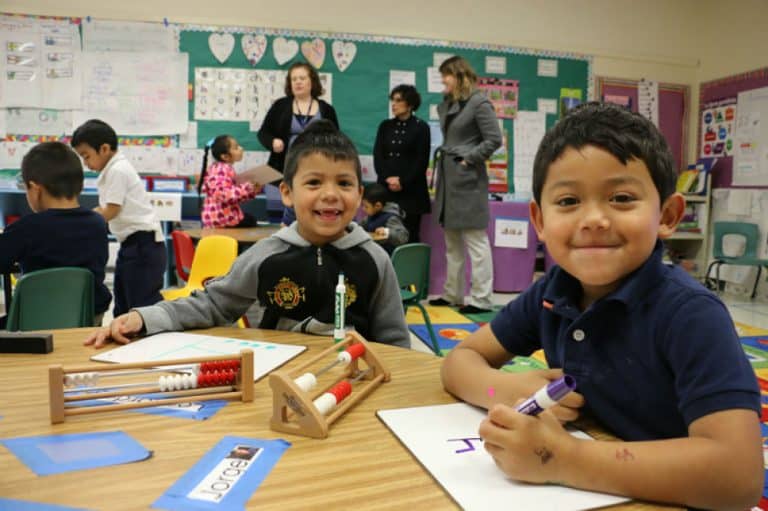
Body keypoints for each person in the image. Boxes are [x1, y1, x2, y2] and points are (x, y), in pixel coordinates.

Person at [440, 102, 762, 509]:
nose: (593, 219)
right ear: (539, 221)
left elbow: (739, 475)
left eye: (622, 197)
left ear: (667, 214)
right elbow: (458, 362)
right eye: (569, 201)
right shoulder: (551, 292)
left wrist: (560, 458)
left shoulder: (690, 314)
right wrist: (502, 387)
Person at [83, 120, 410, 351]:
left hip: (352, 385)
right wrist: (144, 317)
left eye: (344, 183)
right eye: (313, 183)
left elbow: (395, 340)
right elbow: (212, 305)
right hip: (282, 381)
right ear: (286, 193)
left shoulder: (375, 259)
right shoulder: (266, 254)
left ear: (359, 192)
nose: (330, 194)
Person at [0, 142, 111, 326]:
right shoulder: (97, 224)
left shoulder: (27, 228)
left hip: (34, 323)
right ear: (80, 186)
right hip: (86, 321)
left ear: (36, 189)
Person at [428, 56, 501, 314]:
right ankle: (452, 294)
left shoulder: (479, 103)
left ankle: (481, 299)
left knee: (476, 241)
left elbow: (494, 139)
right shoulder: (449, 105)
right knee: (452, 242)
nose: (442, 81)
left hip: (467, 178)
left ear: (458, 75)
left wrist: (468, 159)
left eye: (445, 76)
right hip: (449, 179)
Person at [71, 119, 166, 318]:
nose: (85, 164)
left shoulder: (117, 170)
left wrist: (87, 221)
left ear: (104, 149)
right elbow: (108, 209)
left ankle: (149, 346)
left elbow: (112, 211)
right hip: (133, 245)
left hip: (143, 246)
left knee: (140, 309)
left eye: (86, 156)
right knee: (123, 306)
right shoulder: (113, 170)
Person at [258, 62, 339, 226]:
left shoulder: (326, 109)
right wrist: (273, 141)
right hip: (281, 172)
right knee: (279, 222)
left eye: (302, 78)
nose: (297, 82)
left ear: (312, 82)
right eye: (293, 79)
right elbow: (263, 133)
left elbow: (336, 141)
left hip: (316, 173)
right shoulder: (280, 106)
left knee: (310, 217)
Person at [373, 84, 430, 243]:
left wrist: (402, 181)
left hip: (411, 191)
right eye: (393, 100)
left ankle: (409, 268)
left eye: (398, 100)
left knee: (410, 234)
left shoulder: (421, 127)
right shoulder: (385, 126)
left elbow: (421, 161)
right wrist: (387, 178)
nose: (394, 104)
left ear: (410, 104)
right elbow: (378, 156)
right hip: (386, 189)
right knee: (384, 234)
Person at [198, 135, 261, 228]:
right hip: (222, 219)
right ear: (225, 156)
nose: (241, 148)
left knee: (250, 219)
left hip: (221, 217)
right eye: (236, 147)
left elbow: (233, 197)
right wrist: (248, 187)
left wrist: (252, 191)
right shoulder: (221, 169)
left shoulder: (222, 168)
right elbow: (223, 194)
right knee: (251, 221)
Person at [360, 182, 409, 254]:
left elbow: (403, 236)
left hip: (386, 258)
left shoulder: (391, 218)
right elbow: (359, 226)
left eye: (366, 206)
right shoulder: (372, 214)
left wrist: (387, 232)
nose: (363, 209)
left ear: (378, 205)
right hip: (373, 253)